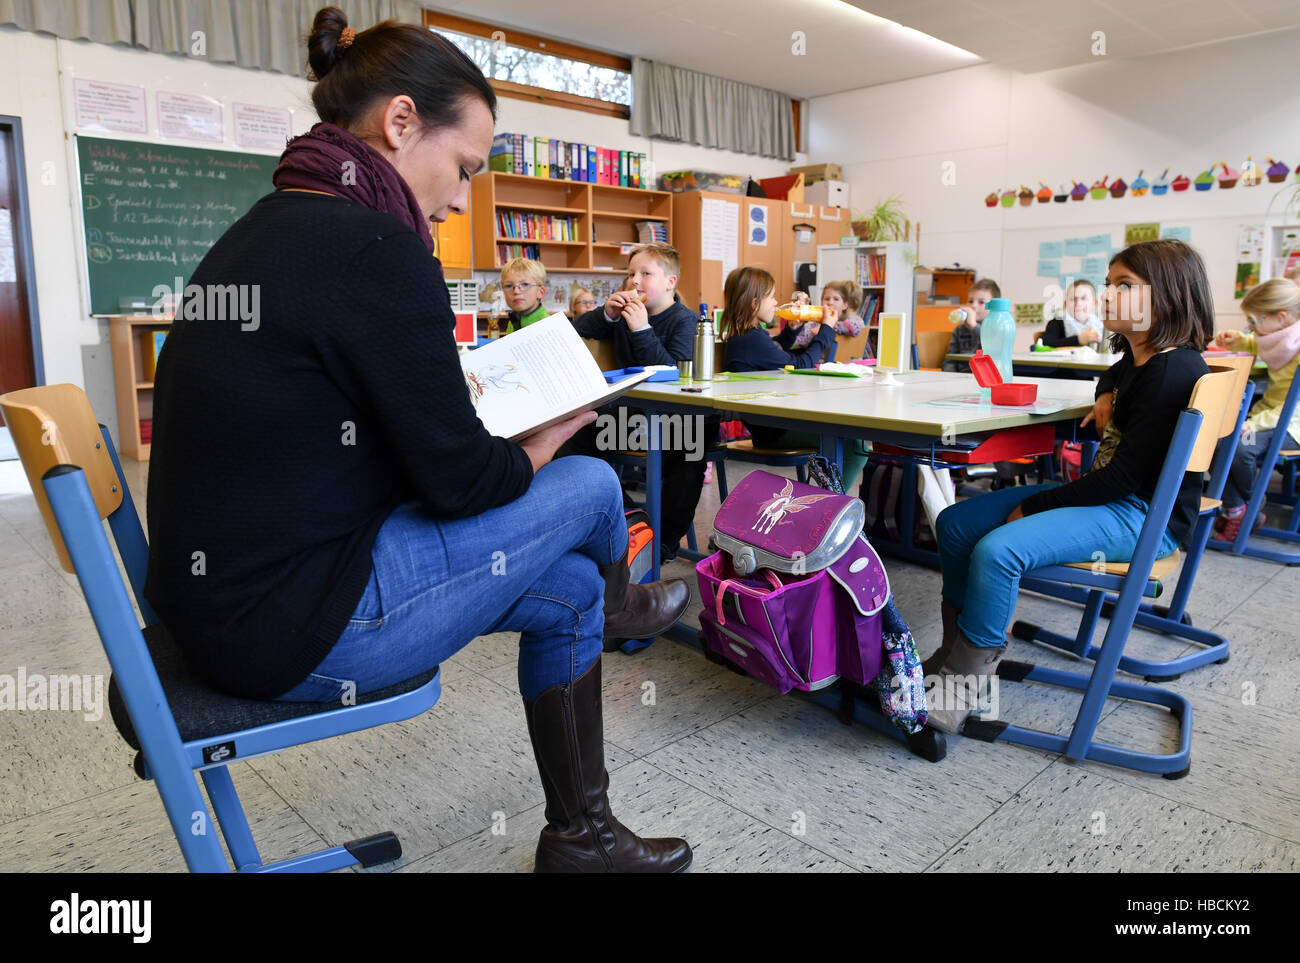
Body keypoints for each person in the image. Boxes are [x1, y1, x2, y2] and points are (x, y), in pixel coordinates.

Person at [143, 6, 691, 873]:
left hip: (220, 606)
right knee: (587, 489)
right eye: (465, 166)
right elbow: (461, 482)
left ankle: (582, 835)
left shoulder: (268, 226)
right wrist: (546, 437)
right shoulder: (375, 245)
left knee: (570, 588)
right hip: (298, 623)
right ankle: (629, 599)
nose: (464, 196)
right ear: (401, 123)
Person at [927, 239, 1213, 733]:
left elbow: (1121, 479)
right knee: (955, 522)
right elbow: (1119, 372)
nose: (1107, 294)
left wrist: (1038, 504)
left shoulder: (1172, 371)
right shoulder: (1148, 359)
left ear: (1165, 297)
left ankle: (963, 682)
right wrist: (1105, 392)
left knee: (998, 552)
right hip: (1115, 500)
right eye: (1108, 283)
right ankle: (958, 653)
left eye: (1124, 286)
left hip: (1141, 516)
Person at [567, 244, 708, 561]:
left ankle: (664, 542)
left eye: (646, 273)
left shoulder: (686, 322)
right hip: (626, 422)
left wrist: (642, 329)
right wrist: (607, 313)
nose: (635, 281)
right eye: (631, 274)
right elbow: (577, 330)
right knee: (573, 434)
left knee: (691, 448)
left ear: (670, 282)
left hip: (677, 422)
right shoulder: (620, 317)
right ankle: (627, 512)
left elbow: (674, 375)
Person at [720, 266, 870, 491]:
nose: (775, 302)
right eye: (771, 297)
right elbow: (797, 365)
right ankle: (831, 505)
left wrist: (792, 329)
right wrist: (826, 330)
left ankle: (827, 500)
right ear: (754, 303)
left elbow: (778, 352)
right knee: (855, 445)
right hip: (774, 430)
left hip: (772, 424)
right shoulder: (750, 340)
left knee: (845, 435)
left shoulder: (748, 337)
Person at [1212, 277, 1300, 541]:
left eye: (1255, 322)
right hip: (1271, 416)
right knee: (1217, 441)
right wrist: (1238, 339)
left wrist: (1254, 423)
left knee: (1239, 447)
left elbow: (1293, 407)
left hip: (1292, 424)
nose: (1251, 328)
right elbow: (1259, 344)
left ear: (1282, 317)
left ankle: (1252, 500)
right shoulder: (1281, 338)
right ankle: (1237, 510)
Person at [790, 280, 868, 354]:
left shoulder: (851, 322)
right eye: (826, 299)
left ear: (845, 305)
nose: (830, 303)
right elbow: (797, 342)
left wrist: (827, 327)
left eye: (836, 299)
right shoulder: (814, 323)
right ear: (821, 303)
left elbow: (855, 327)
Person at [942, 278, 1000, 372]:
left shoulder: (996, 329)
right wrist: (949, 376)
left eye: (981, 302)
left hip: (985, 377)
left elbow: (991, 350)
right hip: (960, 377)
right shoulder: (959, 330)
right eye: (970, 301)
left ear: (993, 307)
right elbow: (950, 360)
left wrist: (974, 326)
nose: (973, 306)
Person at [1043, 279, 1106, 347]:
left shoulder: (1100, 323)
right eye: (1073, 299)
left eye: (1084, 298)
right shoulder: (1056, 323)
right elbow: (1046, 343)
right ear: (1065, 304)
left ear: (1094, 303)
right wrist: (1078, 339)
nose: (1078, 303)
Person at [500, 257, 549, 334]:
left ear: (541, 292)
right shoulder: (513, 321)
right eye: (509, 286)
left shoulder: (548, 326)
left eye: (525, 284)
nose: (516, 291)